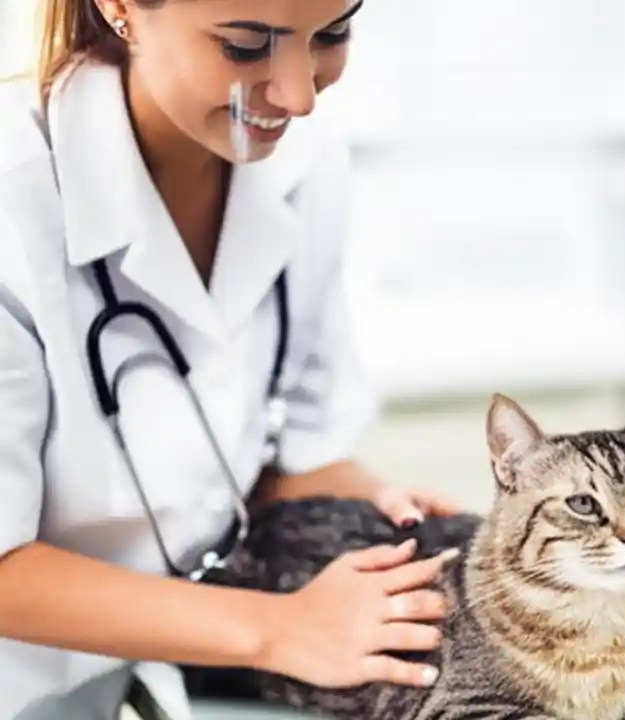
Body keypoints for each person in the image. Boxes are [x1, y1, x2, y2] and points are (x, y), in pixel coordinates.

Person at [0, 1, 459, 717]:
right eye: (247, 46)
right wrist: (278, 628)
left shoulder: (304, 166)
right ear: (120, 7)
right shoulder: (13, 196)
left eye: (332, 35)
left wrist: (372, 503)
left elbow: (287, 452)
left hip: (158, 679)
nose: (301, 95)